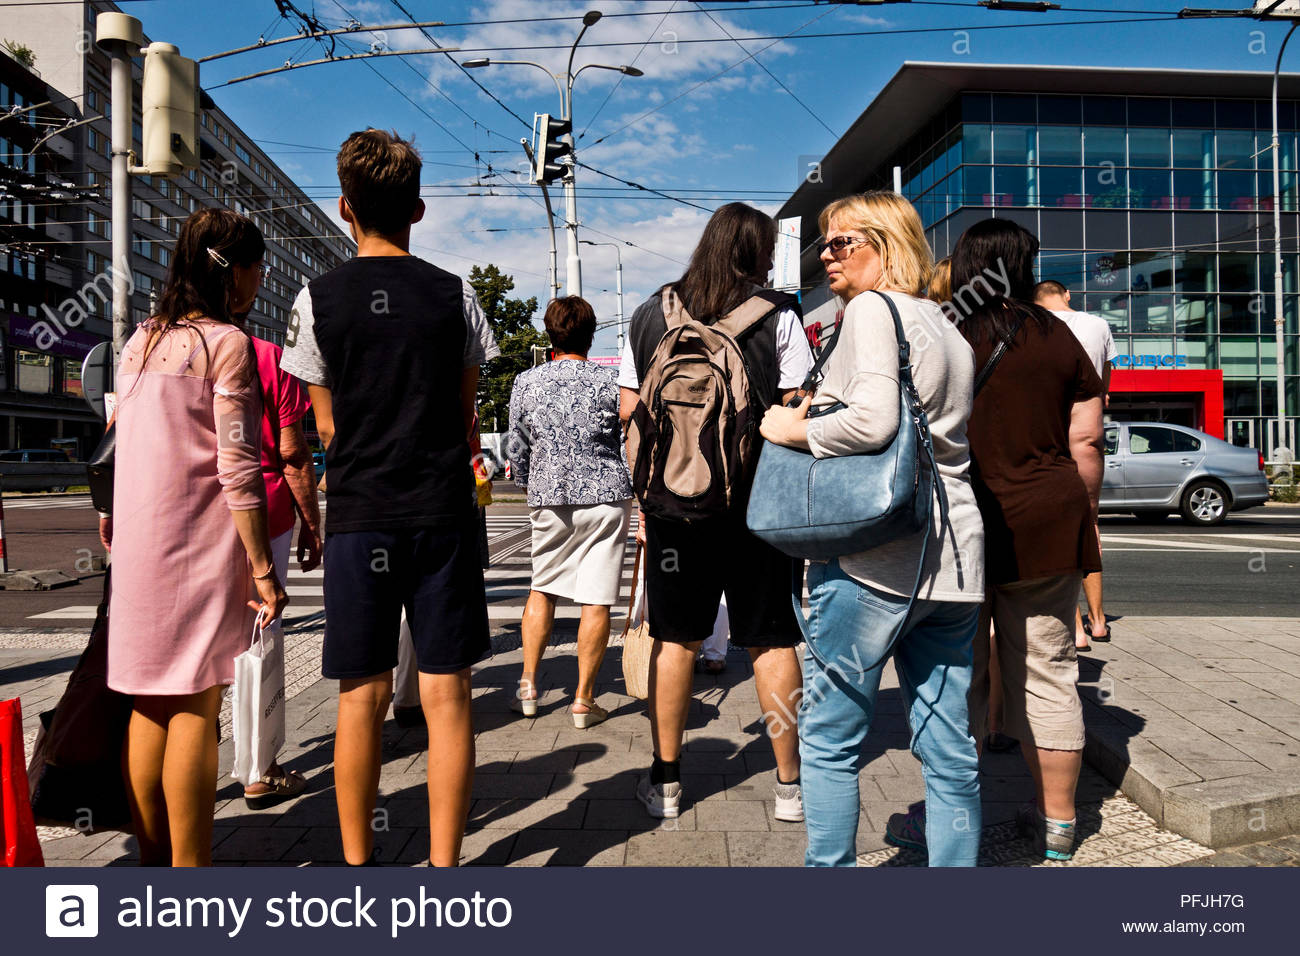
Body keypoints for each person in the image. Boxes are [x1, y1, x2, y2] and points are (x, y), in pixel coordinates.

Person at [280, 128, 497, 867]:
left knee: (360, 697)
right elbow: (464, 411)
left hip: (361, 516)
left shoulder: (316, 300)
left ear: (345, 208)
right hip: (441, 510)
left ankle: (357, 869)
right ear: (420, 209)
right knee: (447, 696)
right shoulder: (454, 294)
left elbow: (327, 423)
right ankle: (444, 870)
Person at [759, 192, 985, 866]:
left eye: (841, 242)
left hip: (873, 560)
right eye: (823, 244)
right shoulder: (946, 326)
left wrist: (790, 426)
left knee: (828, 739)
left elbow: (874, 424)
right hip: (954, 563)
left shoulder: (872, 312)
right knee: (949, 749)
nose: (825, 254)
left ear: (884, 246)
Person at [618, 202, 813, 822]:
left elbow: (629, 411)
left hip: (675, 509)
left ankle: (667, 784)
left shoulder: (652, 312)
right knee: (772, 641)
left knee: (674, 640)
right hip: (758, 507)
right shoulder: (777, 314)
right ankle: (789, 787)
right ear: (755, 253)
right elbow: (798, 407)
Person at [105, 208, 288, 866]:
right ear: (229, 270)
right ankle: (192, 872)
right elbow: (238, 467)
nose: (260, 279)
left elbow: (120, 444)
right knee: (196, 704)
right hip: (201, 547)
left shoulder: (140, 342)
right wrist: (262, 566)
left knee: (150, 704)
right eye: (256, 267)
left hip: (140, 546)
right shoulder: (226, 346)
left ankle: (155, 864)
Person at [953, 219, 1104, 862]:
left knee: (957, 674)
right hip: (1048, 518)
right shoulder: (1061, 338)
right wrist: (1079, 510)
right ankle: (1061, 827)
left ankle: (951, 821)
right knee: (1051, 674)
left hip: (964, 523)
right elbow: (1087, 442)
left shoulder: (947, 330)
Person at [507, 296, 635, 729]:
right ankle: (583, 699)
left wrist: (530, 481)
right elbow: (626, 442)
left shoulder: (528, 382)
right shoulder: (611, 381)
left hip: (551, 497)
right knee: (597, 598)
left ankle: (527, 687)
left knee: (542, 588)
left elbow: (516, 446)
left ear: (550, 334)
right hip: (605, 495)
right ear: (591, 332)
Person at [233, 305, 323, 809]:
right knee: (257, 637)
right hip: (262, 507)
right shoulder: (267, 358)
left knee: (191, 644)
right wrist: (313, 524)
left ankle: (186, 759)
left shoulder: (150, 349)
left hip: (179, 513)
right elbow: (291, 453)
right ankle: (259, 770)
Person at [1033, 279, 1116, 651]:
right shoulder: (1098, 324)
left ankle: (1073, 625)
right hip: (1089, 434)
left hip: (1050, 432)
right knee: (1090, 524)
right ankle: (1098, 621)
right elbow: (1105, 384)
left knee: (1053, 525)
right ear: (1067, 295)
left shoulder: (1034, 325)